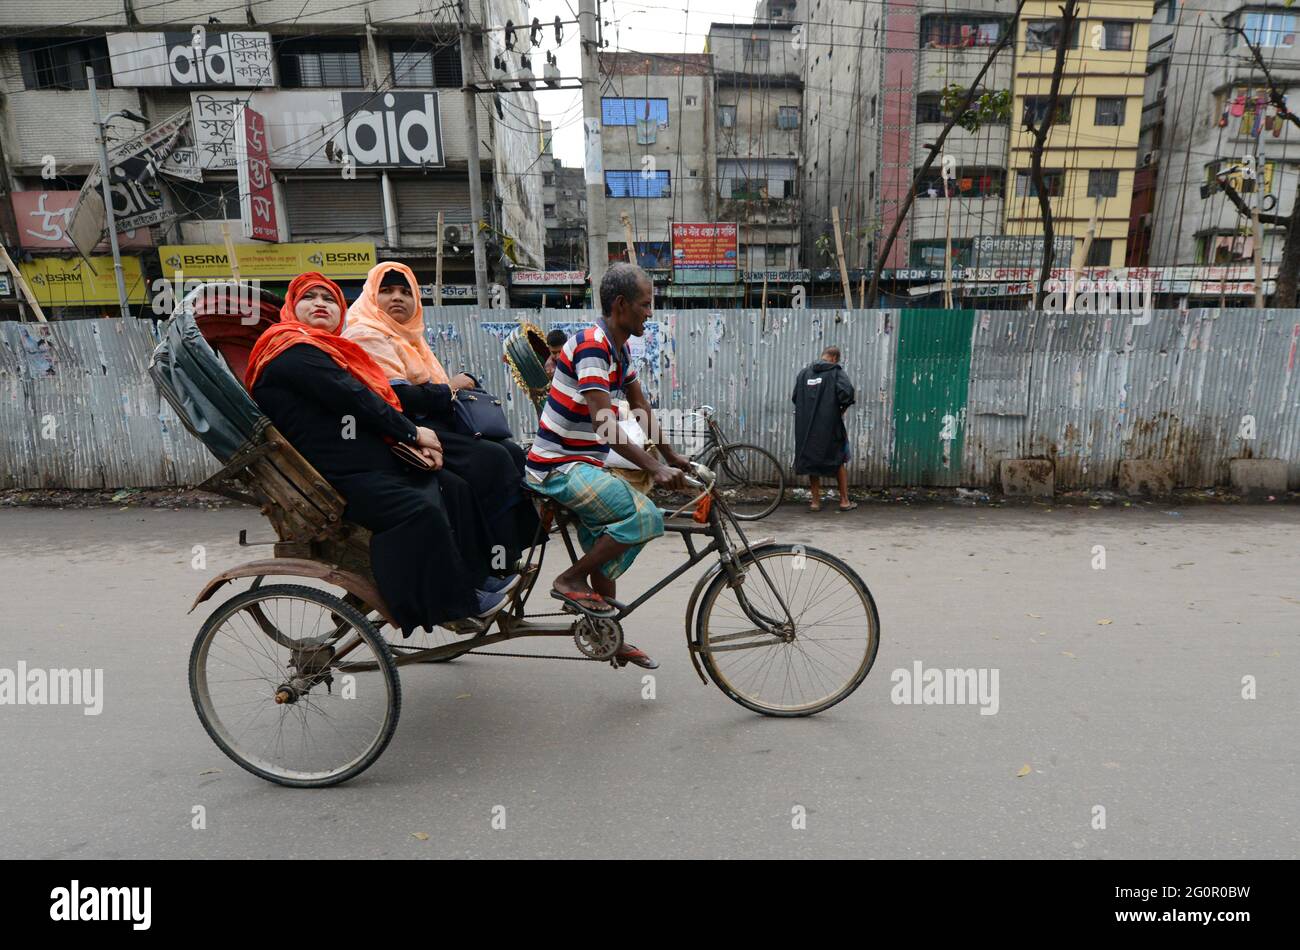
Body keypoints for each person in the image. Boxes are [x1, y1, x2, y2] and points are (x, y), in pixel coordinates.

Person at [246, 272, 519, 636]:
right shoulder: (292, 350)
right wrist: (412, 433)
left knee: (453, 485)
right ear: (292, 307)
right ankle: (448, 605)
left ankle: (475, 578)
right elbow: (356, 399)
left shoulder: (326, 349)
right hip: (332, 474)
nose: (320, 305)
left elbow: (365, 400)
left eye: (329, 299)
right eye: (309, 298)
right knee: (420, 509)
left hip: (361, 459)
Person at [525, 263, 692, 670]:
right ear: (621, 305)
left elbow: (640, 407)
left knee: (608, 532)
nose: (650, 313)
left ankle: (605, 630)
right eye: (645, 305)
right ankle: (568, 581)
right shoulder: (592, 344)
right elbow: (604, 422)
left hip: (583, 463)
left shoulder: (620, 348)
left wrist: (671, 456)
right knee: (644, 516)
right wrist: (654, 467)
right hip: (556, 466)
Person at [343, 262, 538, 570]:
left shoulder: (411, 337)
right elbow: (400, 398)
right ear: (371, 296)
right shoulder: (366, 333)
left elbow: (429, 392)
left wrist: (448, 389)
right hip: (401, 430)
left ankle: (510, 548)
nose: (398, 298)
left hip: (429, 422)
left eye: (406, 292)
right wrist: (451, 386)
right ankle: (494, 561)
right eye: (387, 290)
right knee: (492, 460)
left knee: (511, 451)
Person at [793, 345, 857, 512]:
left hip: (806, 427)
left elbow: (795, 397)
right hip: (830, 425)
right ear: (835, 358)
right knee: (839, 458)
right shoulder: (836, 372)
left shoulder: (804, 374)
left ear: (823, 356)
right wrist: (840, 410)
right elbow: (847, 394)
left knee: (811, 459)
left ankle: (815, 502)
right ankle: (844, 501)